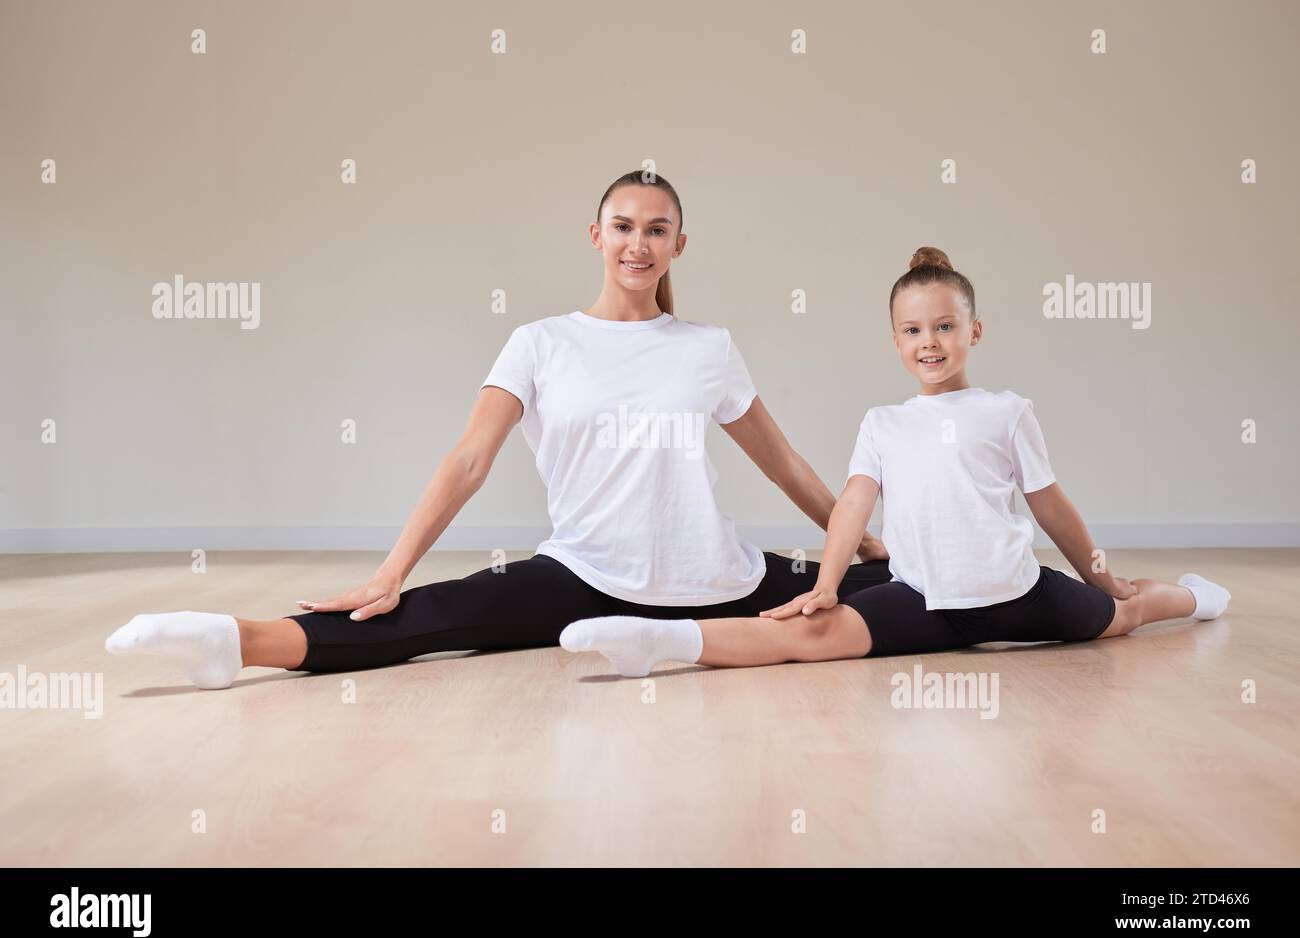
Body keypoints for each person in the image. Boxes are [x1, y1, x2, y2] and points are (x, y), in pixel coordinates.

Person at [104, 171, 894, 689]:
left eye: (657, 230)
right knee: (424, 617)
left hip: (719, 579)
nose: (638, 244)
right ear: (597, 237)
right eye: (622, 226)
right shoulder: (541, 342)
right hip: (585, 572)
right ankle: (231, 640)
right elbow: (472, 456)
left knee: (908, 585)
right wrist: (389, 570)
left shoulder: (706, 347)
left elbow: (781, 461)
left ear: (677, 246)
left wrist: (853, 542)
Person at [559, 246, 1231, 677]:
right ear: (895, 340)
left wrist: (1100, 573)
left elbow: (1050, 504)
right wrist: (826, 582)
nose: (929, 342)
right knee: (807, 635)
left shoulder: (1007, 411)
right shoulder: (884, 424)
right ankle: (659, 641)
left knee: (1127, 615)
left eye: (944, 326)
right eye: (913, 330)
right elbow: (853, 504)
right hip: (925, 599)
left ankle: (1199, 596)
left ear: (974, 331)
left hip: (1021, 593)